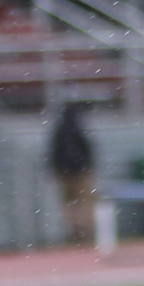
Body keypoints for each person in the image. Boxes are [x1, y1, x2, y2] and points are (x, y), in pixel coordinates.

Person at [49, 101, 96, 245]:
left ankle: (72, 231)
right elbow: (88, 150)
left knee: (68, 204)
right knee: (85, 201)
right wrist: (87, 166)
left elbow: (53, 153)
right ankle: (84, 232)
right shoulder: (79, 129)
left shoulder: (58, 131)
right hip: (81, 171)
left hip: (64, 173)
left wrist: (57, 169)